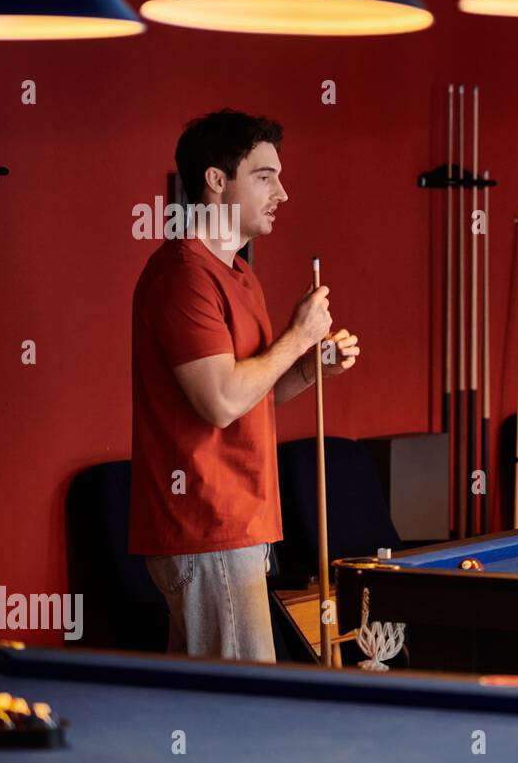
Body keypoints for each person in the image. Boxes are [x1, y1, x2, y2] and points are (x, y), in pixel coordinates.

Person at [130, 109, 360, 660]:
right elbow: (222, 401)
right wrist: (298, 334)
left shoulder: (237, 271)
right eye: (263, 176)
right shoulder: (184, 275)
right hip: (207, 522)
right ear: (216, 180)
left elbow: (260, 390)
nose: (281, 192)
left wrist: (310, 365)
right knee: (242, 706)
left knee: (207, 704)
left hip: (237, 525)